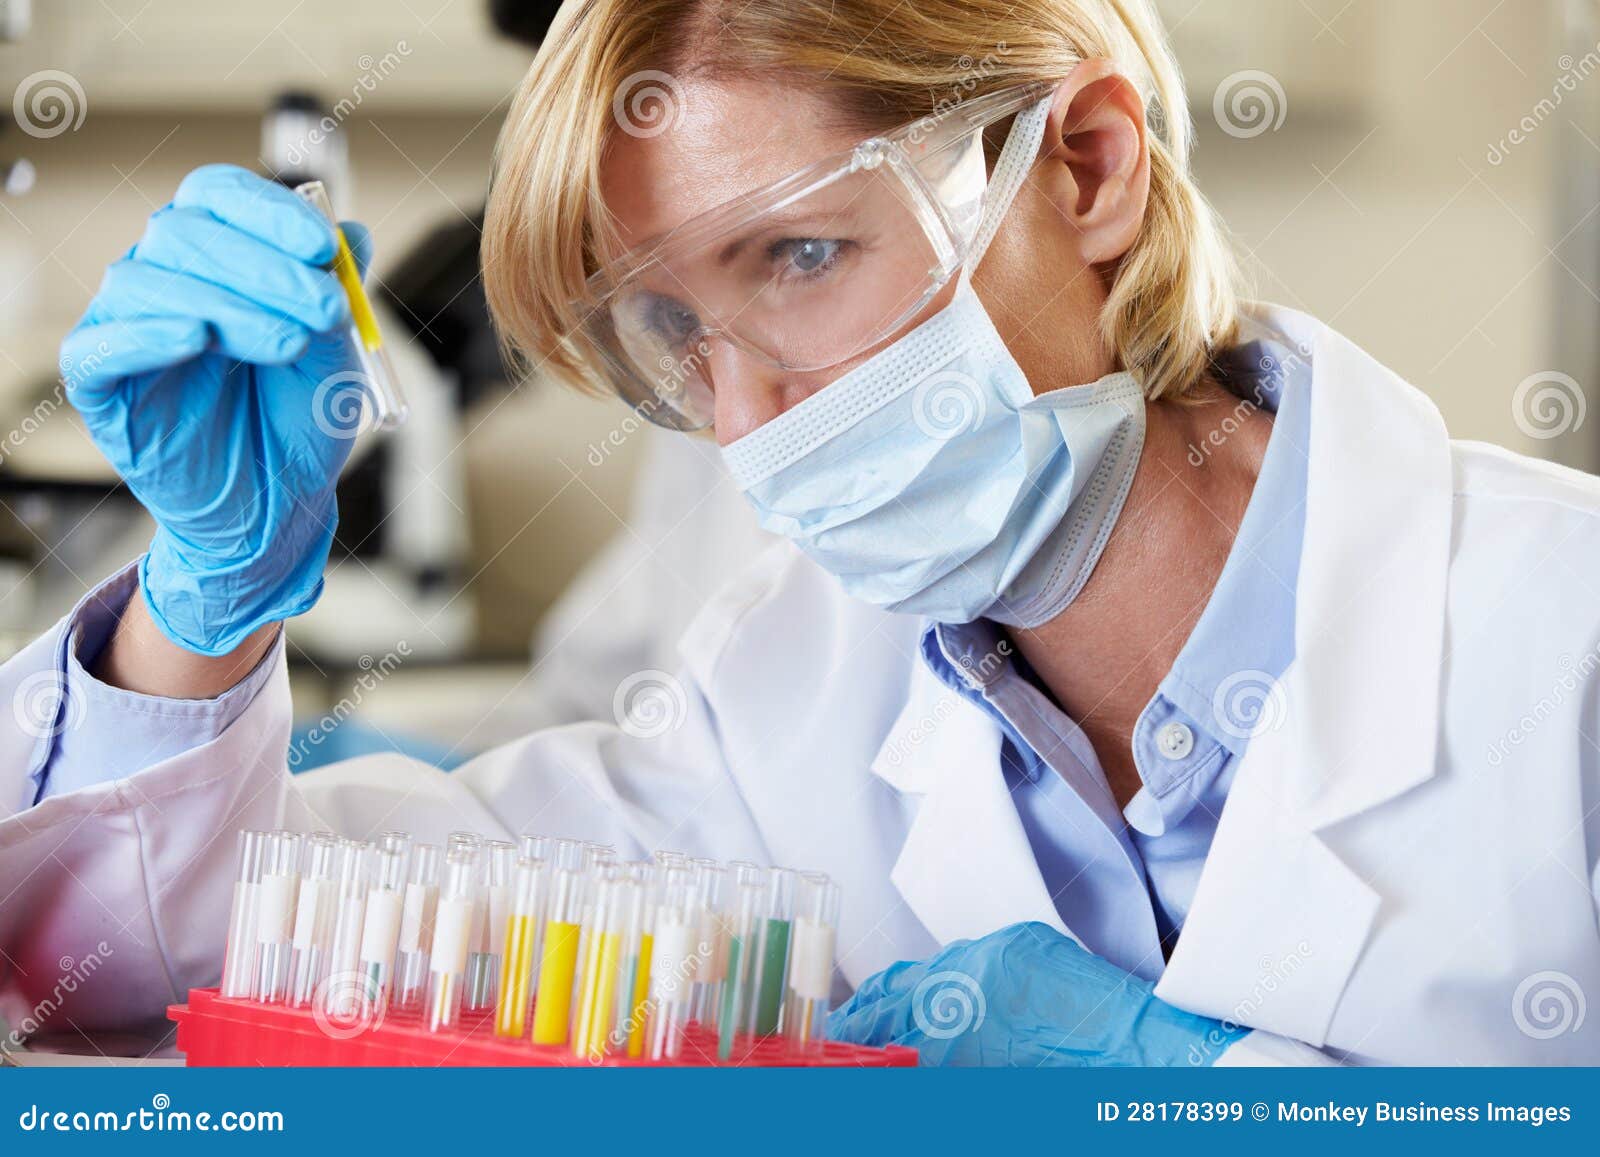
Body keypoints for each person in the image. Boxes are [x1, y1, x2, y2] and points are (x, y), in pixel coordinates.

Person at [1, 0, 1597, 1066]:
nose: (753, 421)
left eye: (805, 255)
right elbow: (176, 962)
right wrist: (207, 597)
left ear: (1089, 167)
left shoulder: (1563, 642)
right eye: (677, 335)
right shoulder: (779, 700)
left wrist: (1222, 1097)